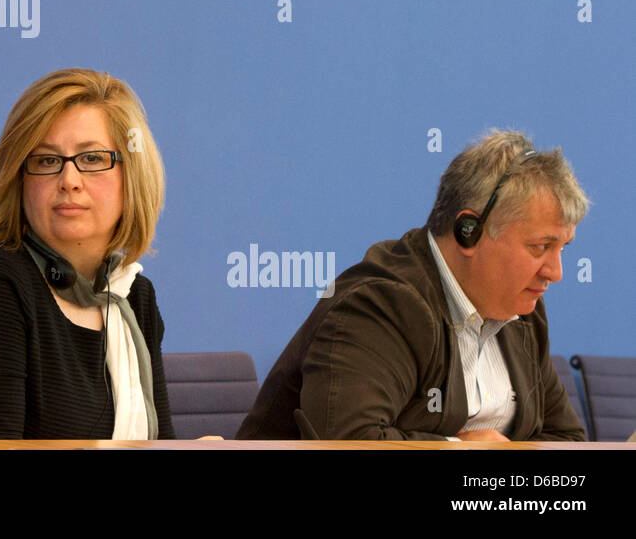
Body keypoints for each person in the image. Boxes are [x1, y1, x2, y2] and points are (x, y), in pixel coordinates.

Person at [238, 130, 588, 441]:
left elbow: (566, 436)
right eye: (540, 247)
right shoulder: (380, 304)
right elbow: (347, 440)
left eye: (562, 249)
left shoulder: (523, 314)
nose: (555, 272)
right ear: (469, 232)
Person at [0, 68, 173, 439]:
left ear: (132, 175)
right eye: (46, 161)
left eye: (91, 159)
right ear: (18, 180)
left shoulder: (132, 296)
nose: (69, 180)